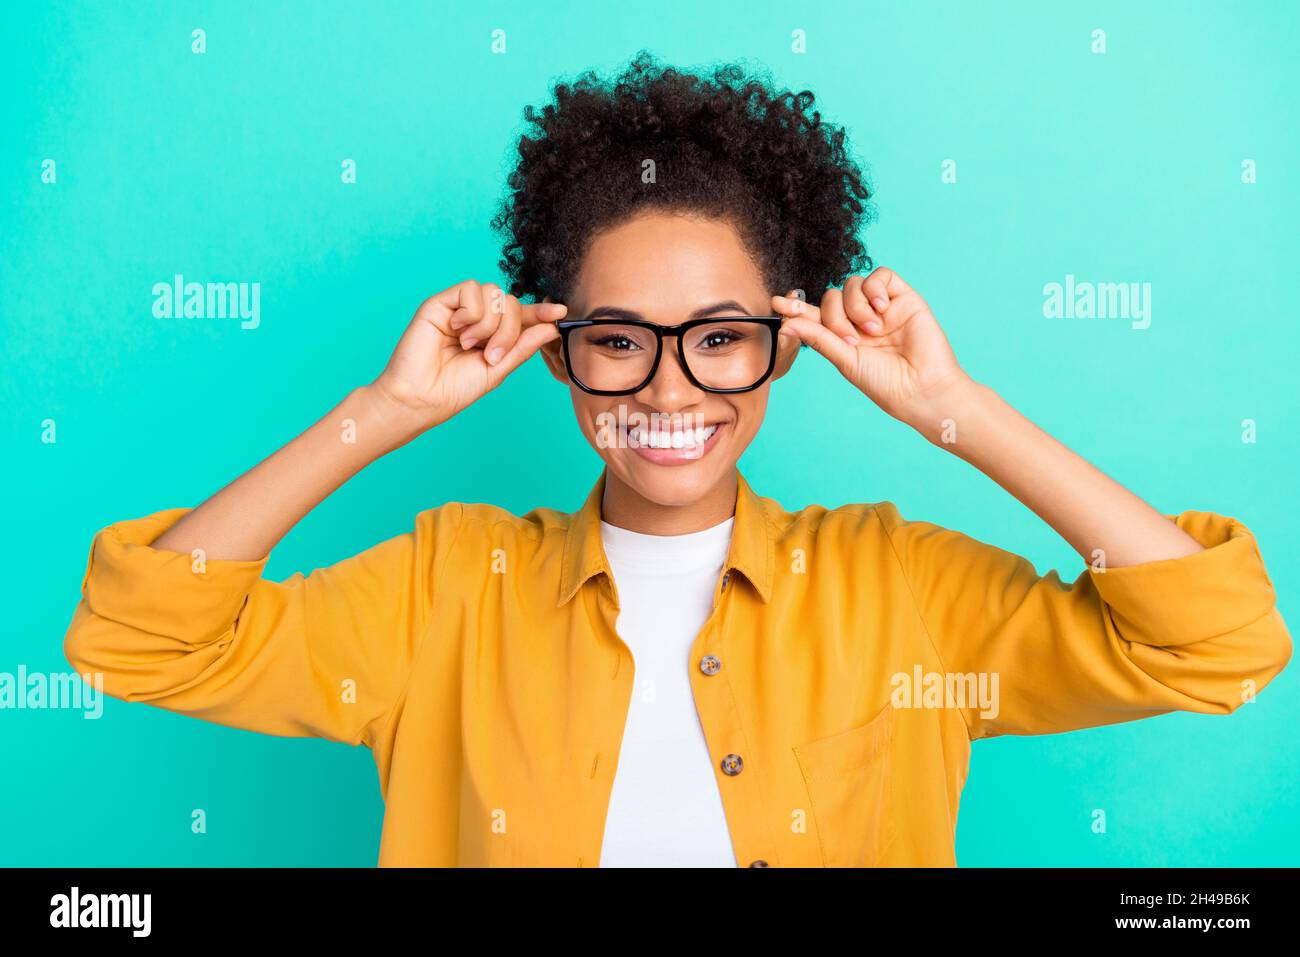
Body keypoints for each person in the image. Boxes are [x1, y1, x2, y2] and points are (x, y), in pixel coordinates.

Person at [63, 53, 1292, 868]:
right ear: (554, 349)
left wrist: (952, 409)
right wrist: (383, 413)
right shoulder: (446, 591)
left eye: (718, 339)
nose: (665, 387)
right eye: (616, 340)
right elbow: (146, 642)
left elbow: (1216, 644)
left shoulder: (903, 593)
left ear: (786, 346)